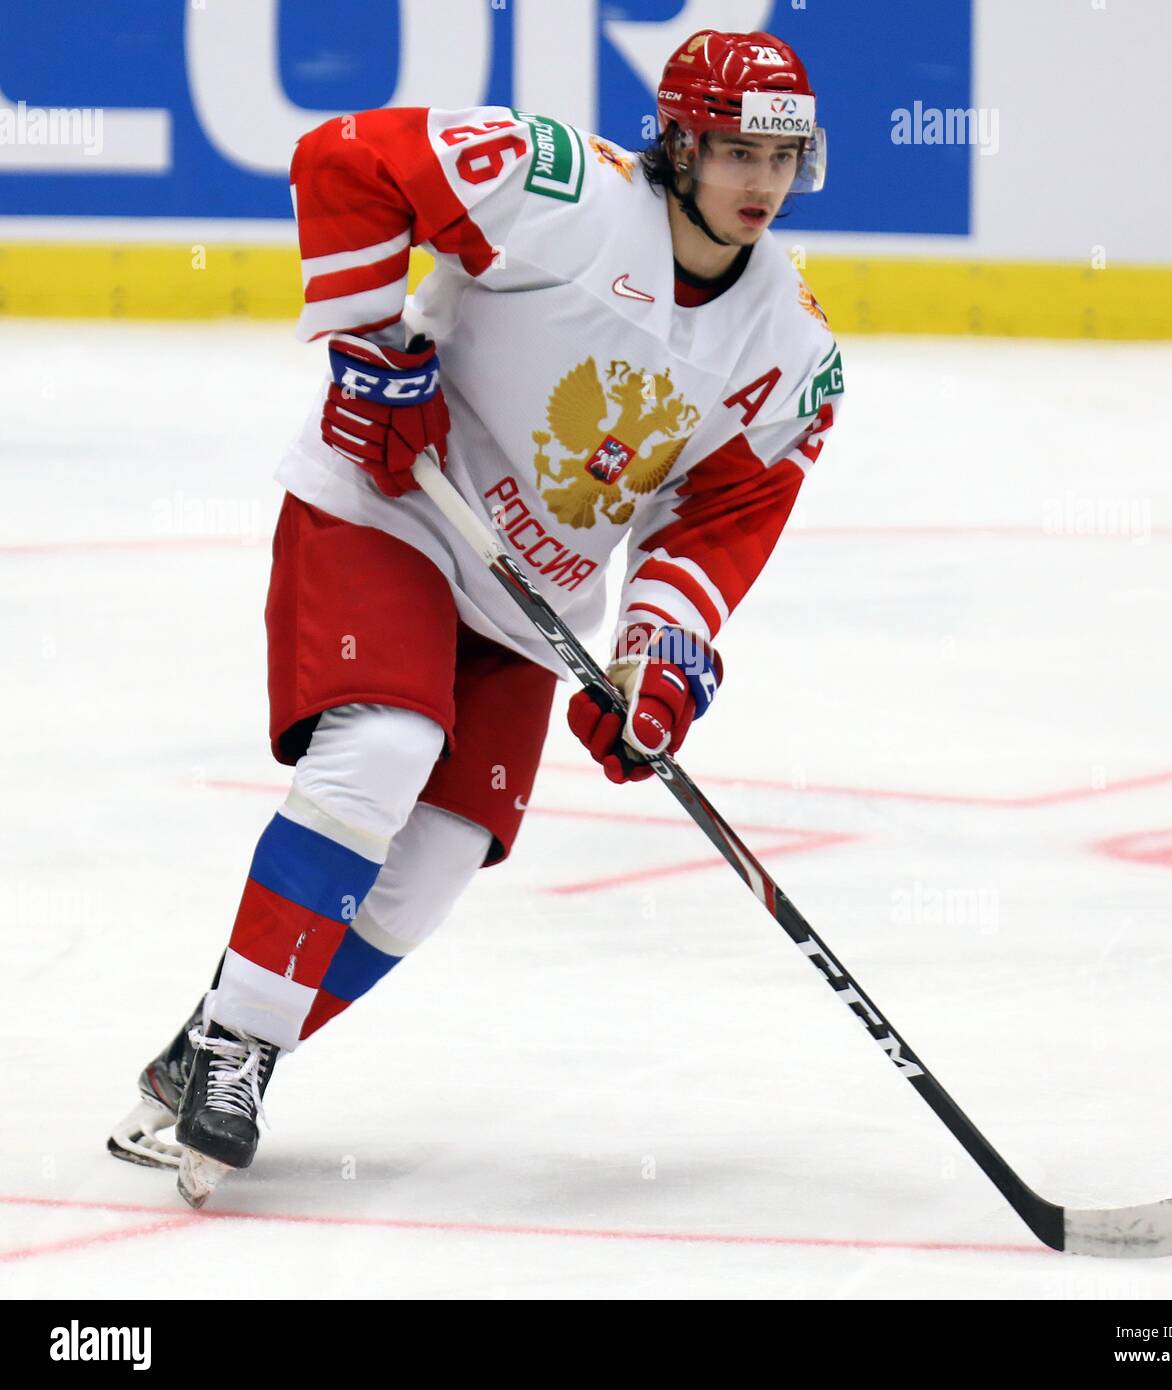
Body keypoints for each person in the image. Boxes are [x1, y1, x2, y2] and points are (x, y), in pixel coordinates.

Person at [106, 28, 845, 1207]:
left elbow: (722, 515)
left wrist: (658, 659)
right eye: (735, 153)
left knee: (430, 872)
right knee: (382, 751)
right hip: (390, 504)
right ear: (680, 143)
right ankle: (243, 1048)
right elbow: (347, 155)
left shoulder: (793, 349)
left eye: (782, 158)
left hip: (527, 597)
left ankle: (209, 1039)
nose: (761, 183)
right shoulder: (558, 186)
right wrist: (373, 351)